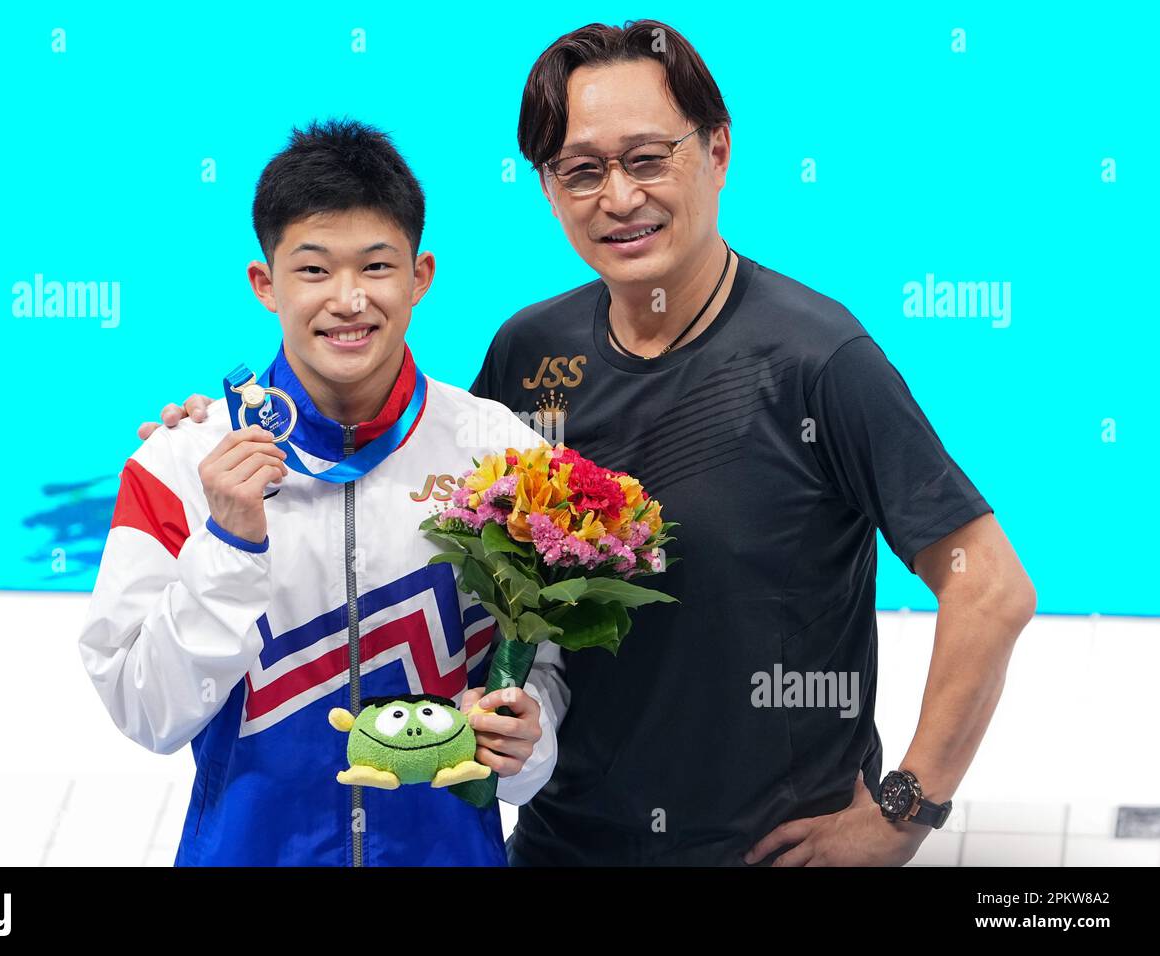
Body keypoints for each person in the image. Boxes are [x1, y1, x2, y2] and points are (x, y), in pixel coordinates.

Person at [143, 20, 1037, 867]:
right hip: (557, 842)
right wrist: (231, 427)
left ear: (718, 151)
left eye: (649, 159)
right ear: (546, 186)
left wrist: (906, 812)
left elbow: (990, 588)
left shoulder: (815, 358)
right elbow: (414, 481)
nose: (619, 197)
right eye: (581, 170)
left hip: (758, 848)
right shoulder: (531, 352)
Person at [79, 118, 565, 866]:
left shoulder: (500, 456)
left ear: (420, 276)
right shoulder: (178, 467)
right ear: (264, 283)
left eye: (376, 267)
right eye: (313, 270)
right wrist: (230, 545)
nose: (348, 300)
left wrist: (528, 742)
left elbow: (545, 679)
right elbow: (145, 711)